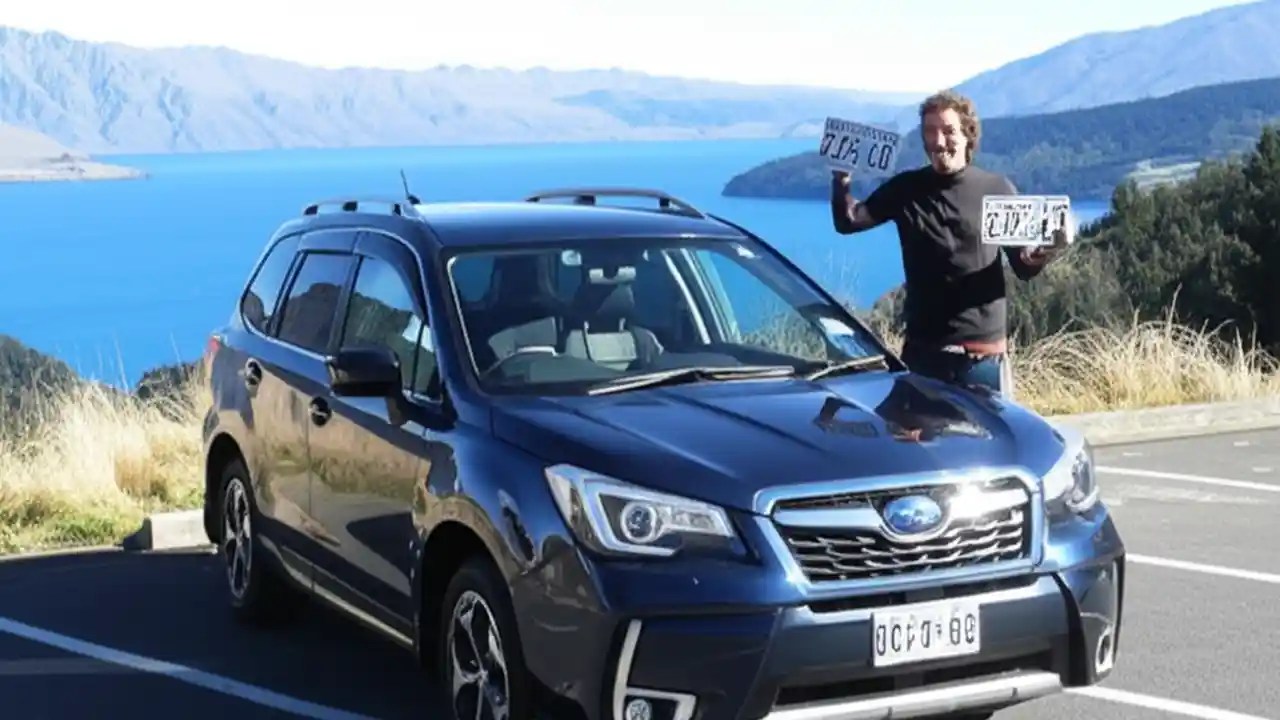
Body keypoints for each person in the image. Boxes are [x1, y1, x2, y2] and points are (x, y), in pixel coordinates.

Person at [830, 89, 1069, 397]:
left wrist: (1048, 250)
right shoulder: (906, 189)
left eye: (948, 131)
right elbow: (849, 221)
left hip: (982, 358)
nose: (939, 141)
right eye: (930, 131)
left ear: (968, 135)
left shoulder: (997, 189)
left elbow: (1024, 266)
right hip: (923, 354)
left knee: (990, 432)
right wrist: (841, 180)